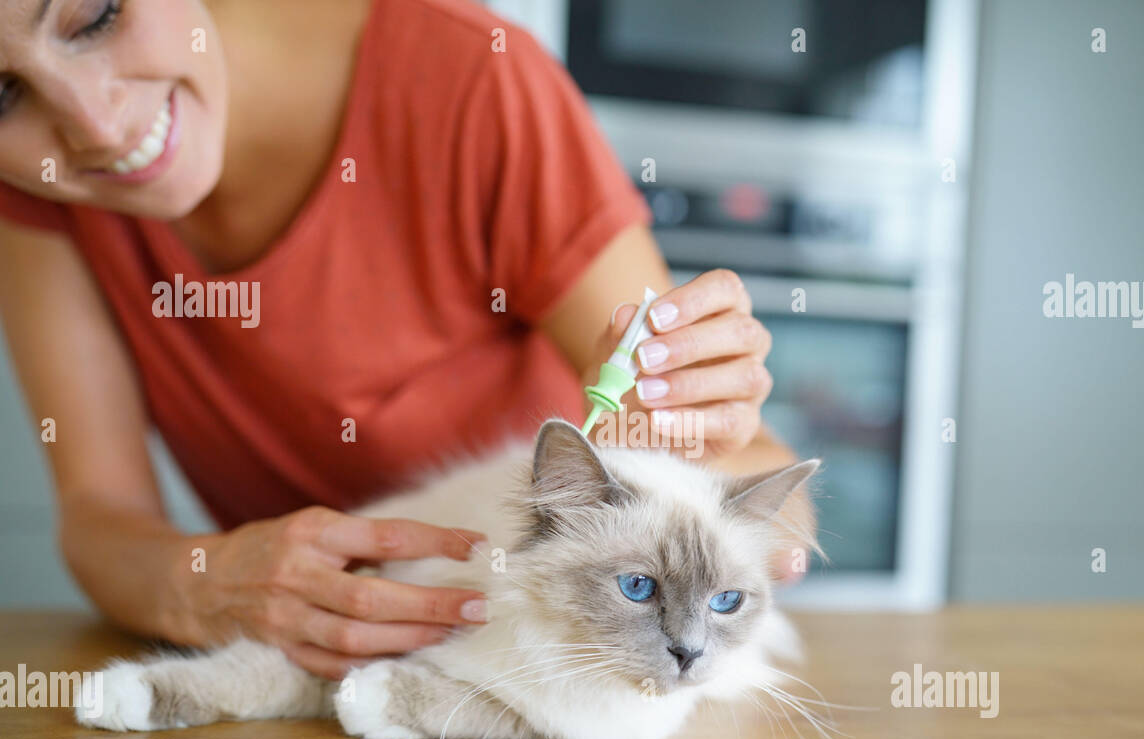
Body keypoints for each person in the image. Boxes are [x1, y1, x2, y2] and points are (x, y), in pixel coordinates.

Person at [0, 0, 809, 679]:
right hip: (320, 697)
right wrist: (202, 585)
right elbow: (101, 513)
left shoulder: (472, 85)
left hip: (537, 680)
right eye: (2, 94)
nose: (95, 125)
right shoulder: (41, 200)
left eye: (93, 16)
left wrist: (704, 437)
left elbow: (785, 514)